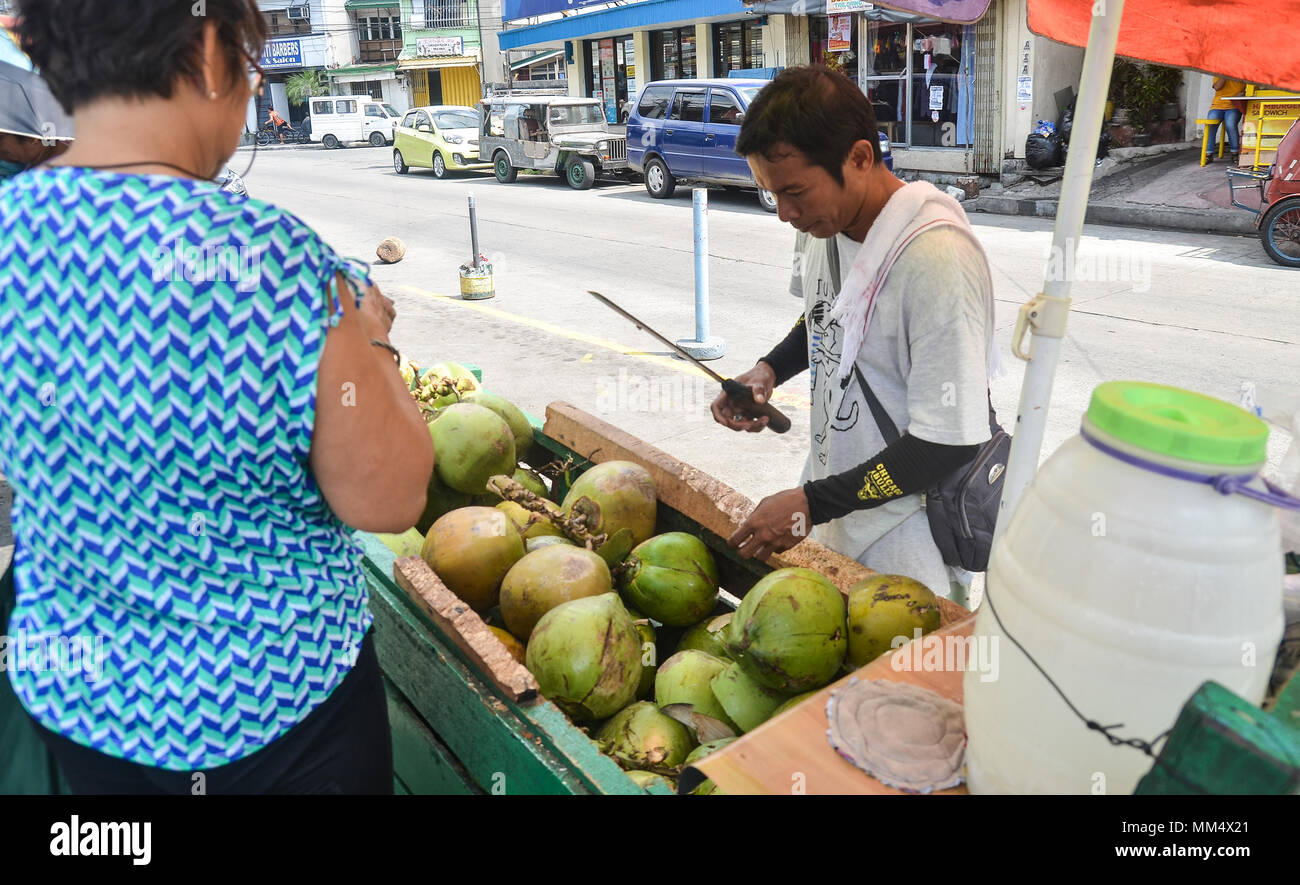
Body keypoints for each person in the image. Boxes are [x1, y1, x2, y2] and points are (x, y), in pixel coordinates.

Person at [1, 0, 433, 794]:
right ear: (207, 55)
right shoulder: (277, 261)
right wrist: (368, 331)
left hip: (92, 711)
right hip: (288, 717)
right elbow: (389, 494)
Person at [717, 66, 996, 599]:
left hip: (907, 541)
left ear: (861, 158)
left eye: (795, 192)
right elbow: (825, 315)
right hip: (836, 504)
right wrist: (770, 368)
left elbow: (949, 440)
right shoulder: (825, 224)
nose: (785, 214)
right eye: (772, 194)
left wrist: (809, 503)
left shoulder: (937, 259)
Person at [1204, 76, 1245, 165]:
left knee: (1230, 125)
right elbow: (1217, 87)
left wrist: (1242, 94)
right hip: (1217, 105)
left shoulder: (1241, 73)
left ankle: (1235, 153)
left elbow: (1247, 89)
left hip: (1234, 105)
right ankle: (1208, 154)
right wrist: (1225, 75)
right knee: (1211, 124)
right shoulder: (1220, 72)